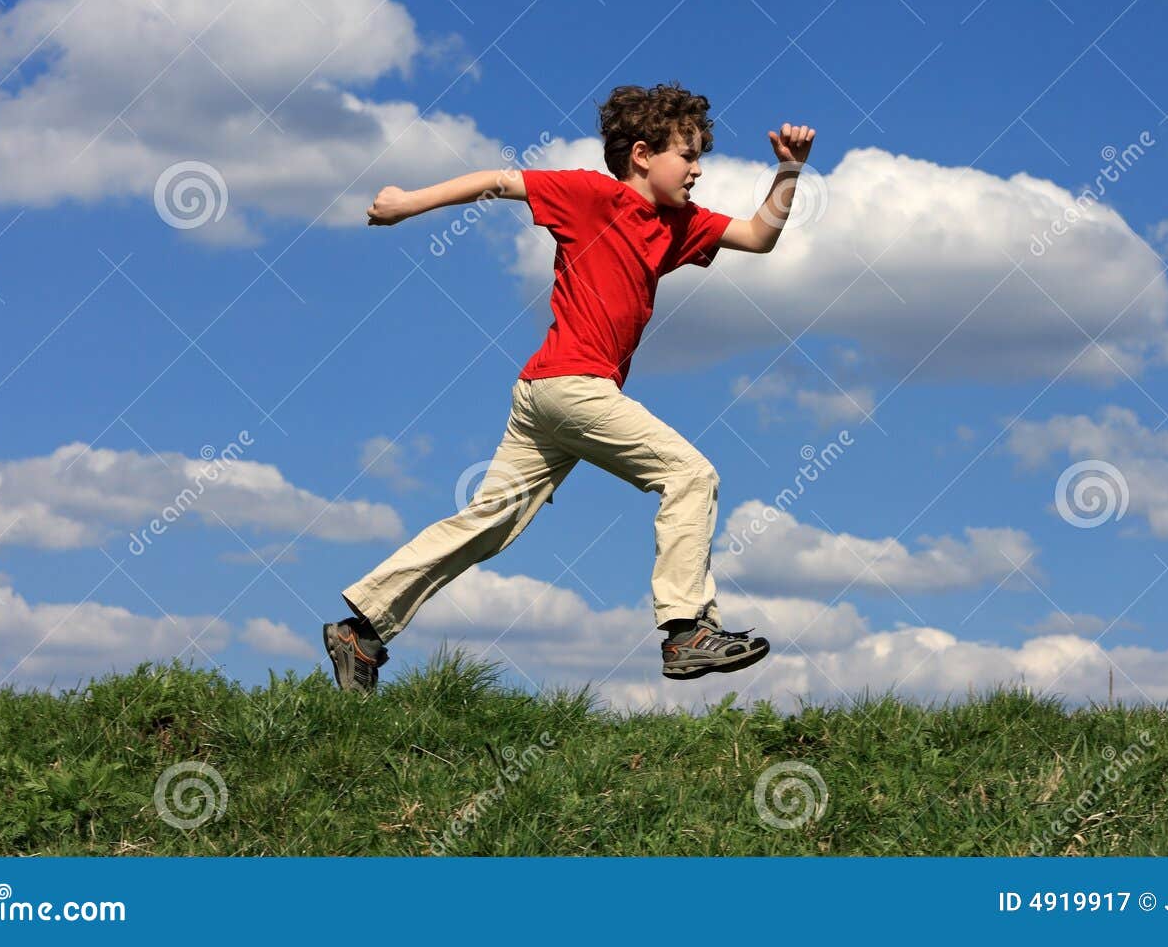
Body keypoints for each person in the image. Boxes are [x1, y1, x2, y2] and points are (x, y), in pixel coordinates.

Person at [324, 81, 816, 693]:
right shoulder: (591, 195)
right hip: (571, 386)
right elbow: (499, 183)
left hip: (546, 396)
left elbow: (757, 236)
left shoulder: (677, 225)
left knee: (489, 523)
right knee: (691, 476)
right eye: (687, 156)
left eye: (699, 160)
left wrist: (789, 171)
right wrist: (407, 202)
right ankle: (687, 631)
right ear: (642, 153)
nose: (696, 171)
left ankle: (361, 632)